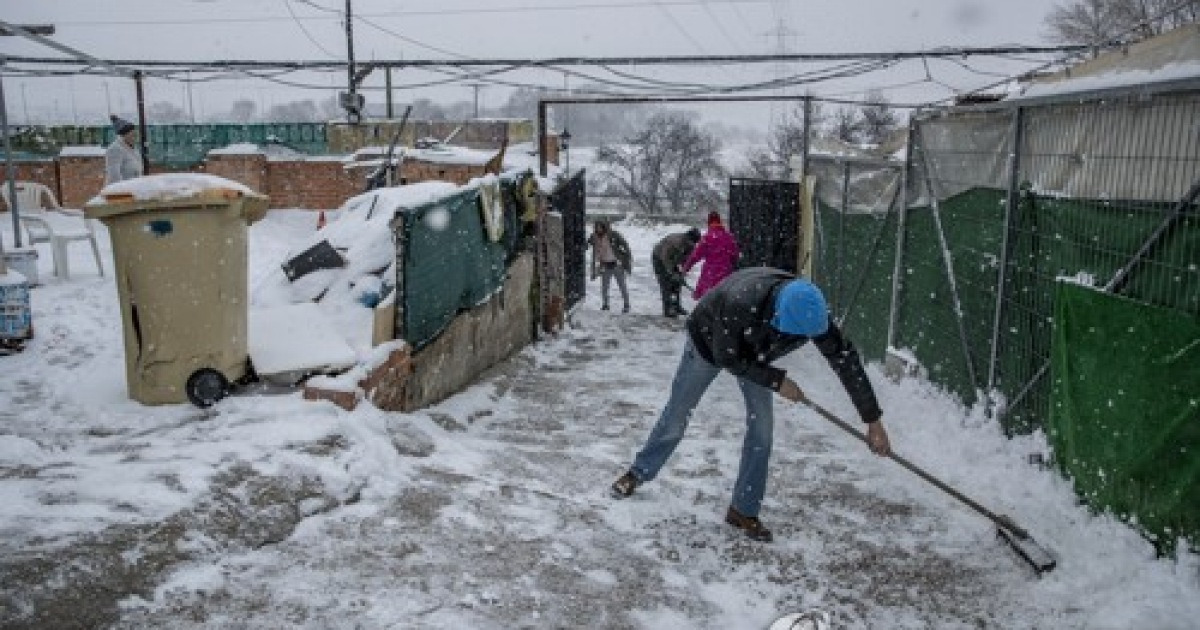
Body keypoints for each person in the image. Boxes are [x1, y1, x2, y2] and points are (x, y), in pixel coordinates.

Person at [610, 268, 891, 542]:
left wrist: (873, 420)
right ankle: (639, 471)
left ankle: (743, 510)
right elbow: (727, 358)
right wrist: (777, 382)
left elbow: (845, 361)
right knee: (678, 412)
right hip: (709, 342)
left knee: (763, 430)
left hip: (756, 352)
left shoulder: (811, 310)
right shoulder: (740, 303)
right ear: (781, 317)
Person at [682, 210, 740, 300]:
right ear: (720, 221)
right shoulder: (729, 237)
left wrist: (686, 268)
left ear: (709, 223)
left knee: (708, 298)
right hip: (726, 272)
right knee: (724, 296)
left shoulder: (707, 237)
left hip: (710, 274)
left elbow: (695, 256)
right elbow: (735, 255)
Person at [651, 228, 701, 318]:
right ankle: (667, 310)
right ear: (688, 238)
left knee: (677, 284)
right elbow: (665, 259)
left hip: (672, 260)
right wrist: (672, 273)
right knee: (666, 284)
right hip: (659, 259)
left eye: (695, 243)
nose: (694, 245)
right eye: (693, 242)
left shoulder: (691, 245)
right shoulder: (674, 242)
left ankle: (676, 306)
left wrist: (682, 273)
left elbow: (687, 260)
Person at [587, 219, 632, 313]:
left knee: (622, 286)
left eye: (600, 227)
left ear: (604, 227)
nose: (598, 229)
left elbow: (625, 244)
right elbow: (587, 244)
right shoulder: (594, 237)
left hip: (617, 264)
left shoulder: (613, 235)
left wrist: (627, 256)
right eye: (597, 227)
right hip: (605, 265)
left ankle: (626, 304)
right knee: (604, 287)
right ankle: (605, 305)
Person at [105, 115, 143, 185]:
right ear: (123, 136)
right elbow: (114, 176)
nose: (135, 137)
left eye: (135, 134)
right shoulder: (115, 149)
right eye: (132, 135)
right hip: (121, 191)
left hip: (134, 189)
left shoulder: (134, 149)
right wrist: (124, 191)